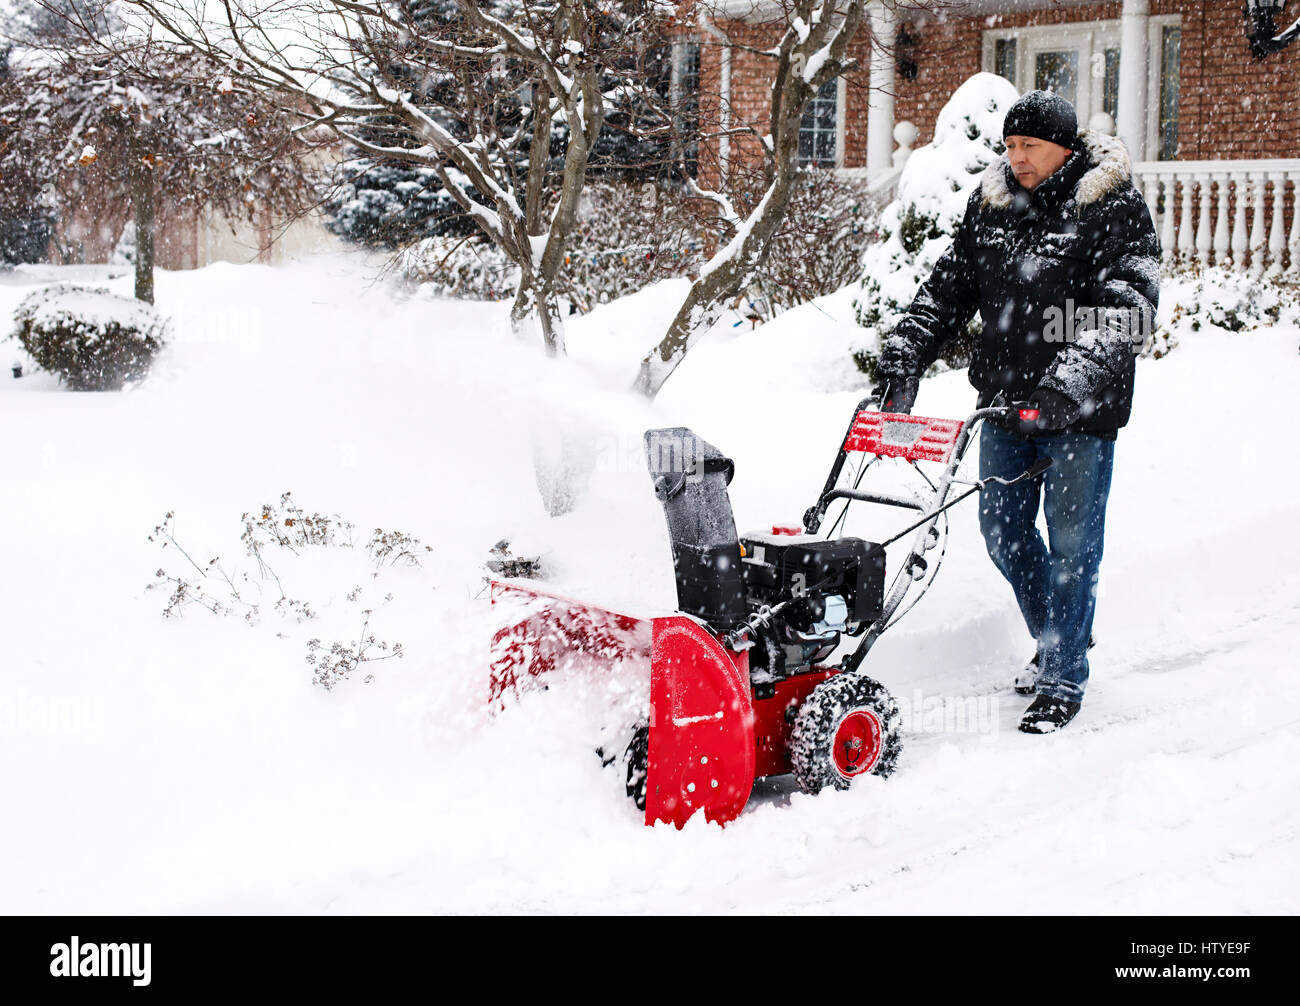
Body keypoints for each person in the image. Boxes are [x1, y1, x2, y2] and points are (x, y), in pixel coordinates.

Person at [872, 90, 1159, 733]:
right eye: (1009, 145)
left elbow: (1130, 304)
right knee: (1002, 534)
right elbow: (950, 286)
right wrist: (907, 351)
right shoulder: (994, 204)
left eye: (1029, 146)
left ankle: (1061, 675)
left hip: (1077, 412)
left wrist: (1070, 377)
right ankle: (1063, 636)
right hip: (1003, 403)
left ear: (1064, 146)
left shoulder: (1111, 206)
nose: (1017, 157)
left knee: (1072, 547)